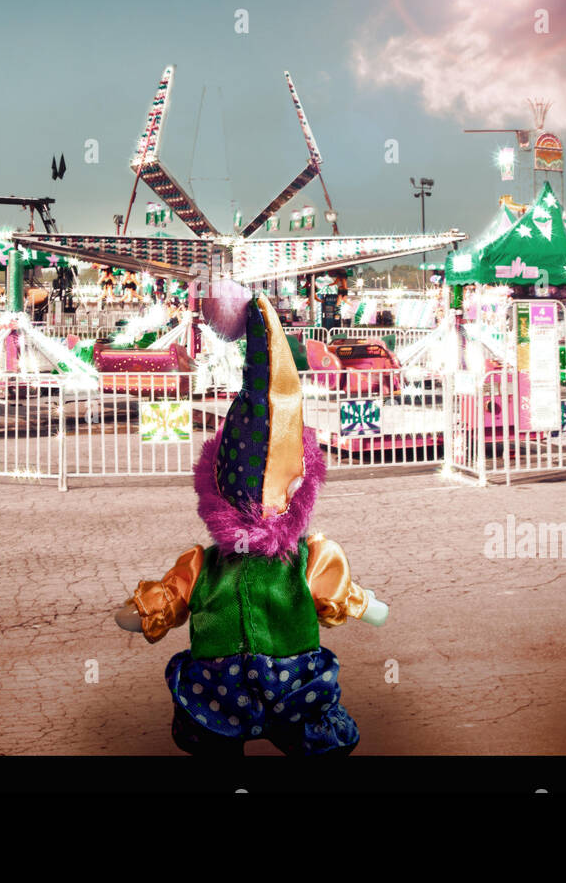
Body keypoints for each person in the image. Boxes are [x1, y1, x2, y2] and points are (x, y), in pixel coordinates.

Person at [114, 289, 388, 755]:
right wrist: (368, 606)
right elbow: (332, 594)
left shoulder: (282, 561)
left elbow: (173, 595)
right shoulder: (253, 563)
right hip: (269, 687)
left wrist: (140, 614)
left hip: (235, 693)